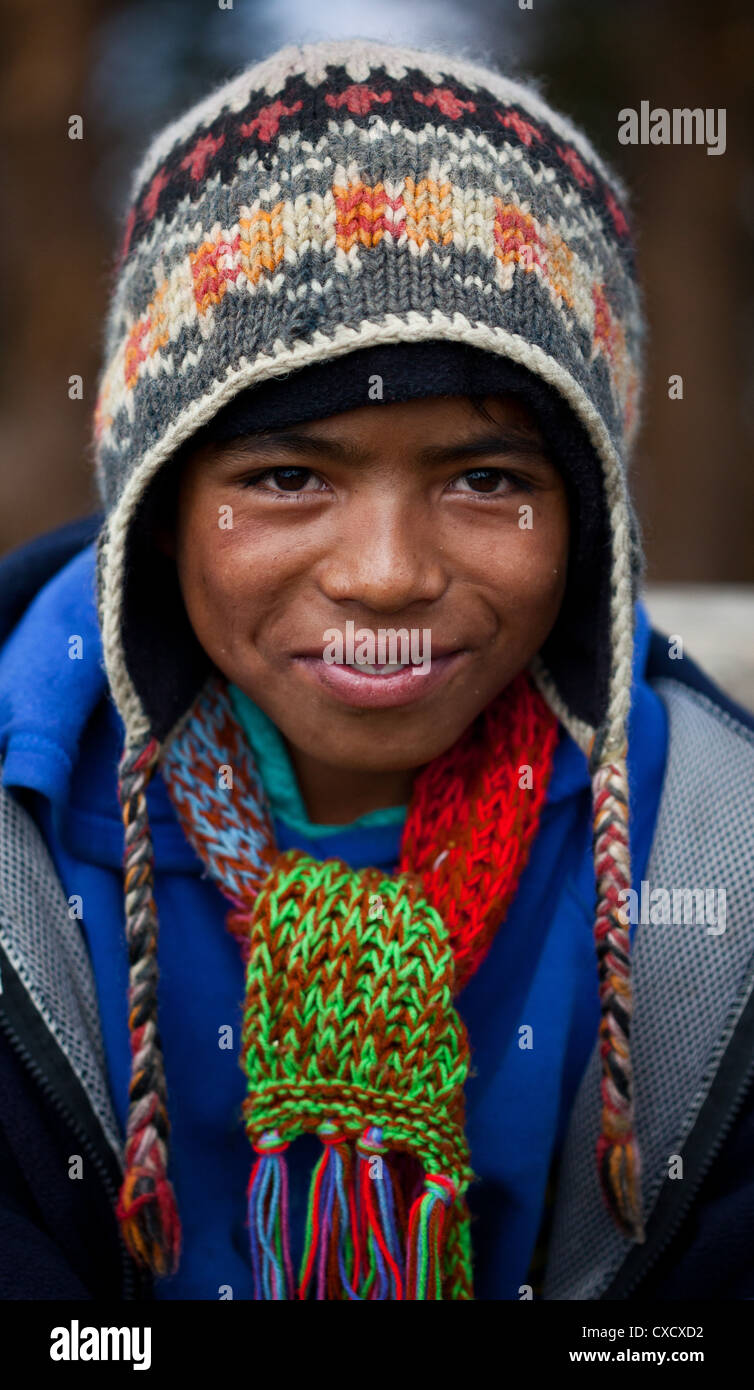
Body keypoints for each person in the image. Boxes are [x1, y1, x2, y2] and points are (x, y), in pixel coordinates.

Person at [1, 37, 753, 1303]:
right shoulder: (32, 852)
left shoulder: (706, 863)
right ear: (159, 510)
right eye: (288, 478)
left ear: (585, 519)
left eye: (486, 479)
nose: (388, 572)